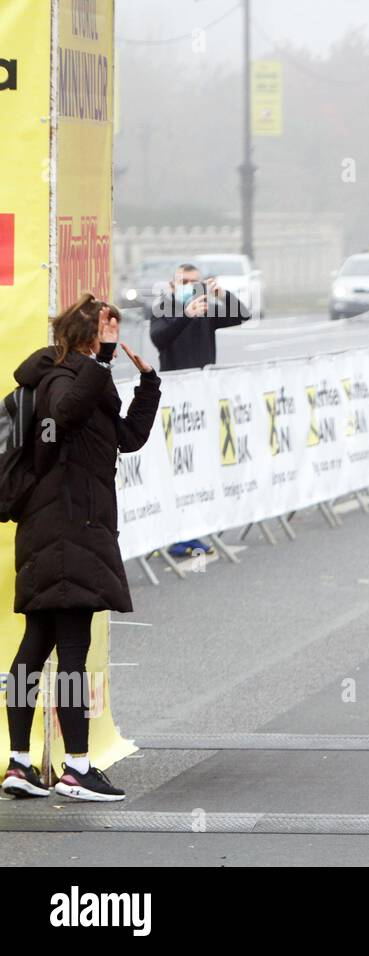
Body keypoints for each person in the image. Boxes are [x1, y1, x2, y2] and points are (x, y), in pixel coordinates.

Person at [3, 295, 159, 801]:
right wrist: (102, 360)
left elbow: (126, 438)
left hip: (67, 529)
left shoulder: (83, 377)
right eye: (106, 332)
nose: (112, 341)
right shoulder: (59, 377)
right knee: (68, 650)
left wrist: (149, 386)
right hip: (64, 529)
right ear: (89, 337)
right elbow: (66, 413)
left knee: (39, 647)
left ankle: (20, 764)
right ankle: (76, 767)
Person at [149, 262, 250, 558]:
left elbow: (242, 315)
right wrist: (185, 314)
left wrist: (222, 294)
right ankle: (175, 534)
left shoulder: (207, 310)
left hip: (203, 399)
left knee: (202, 467)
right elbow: (159, 339)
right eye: (184, 281)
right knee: (179, 467)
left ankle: (192, 531)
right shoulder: (164, 308)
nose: (190, 287)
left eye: (195, 282)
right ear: (172, 285)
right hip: (176, 401)